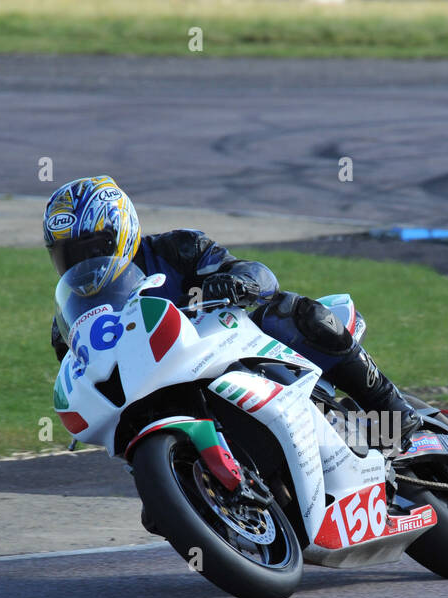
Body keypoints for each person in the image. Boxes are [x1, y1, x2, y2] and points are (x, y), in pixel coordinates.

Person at [44, 175, 418, 447]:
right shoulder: (73, 320)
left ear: (121, 232)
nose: (85, 263)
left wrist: (237, 282)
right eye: (69, 256)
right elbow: (87, 379)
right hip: (159, 391)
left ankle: (392, 410)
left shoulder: (178, 248)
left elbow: (255, 273)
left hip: (227, 348)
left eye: (95, 248)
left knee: (294, 313)